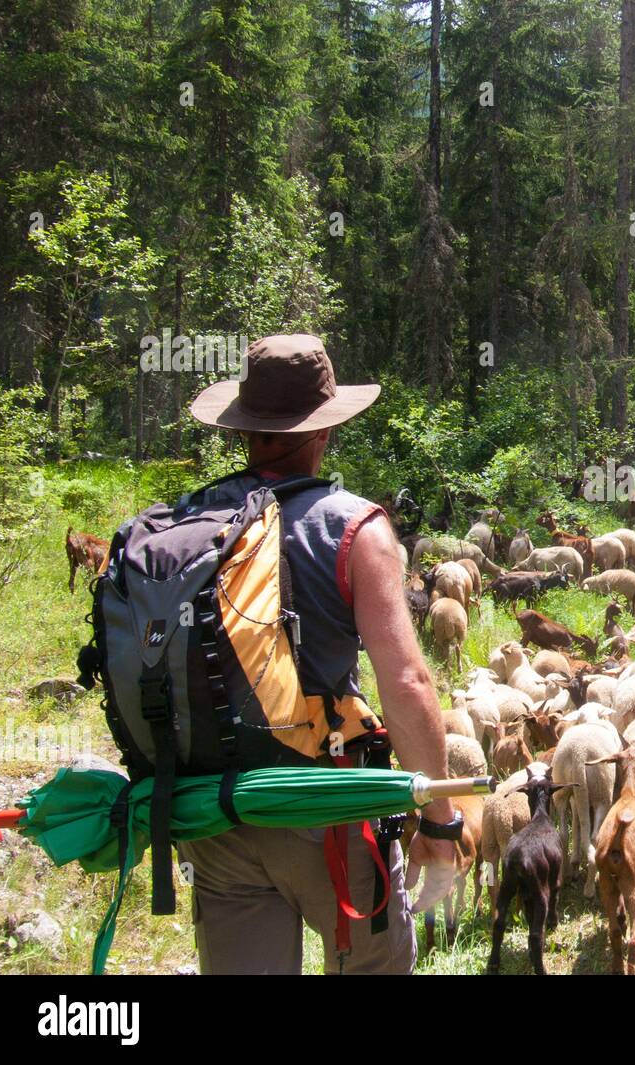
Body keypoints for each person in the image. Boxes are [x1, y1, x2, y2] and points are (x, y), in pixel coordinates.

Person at [177, 334, 456, 974]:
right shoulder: (353, 527)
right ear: (324, 430)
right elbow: (408, 681)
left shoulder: (191, 522)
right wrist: (438, 826)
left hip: (216, 812)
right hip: (325, 809)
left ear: (246, 428)